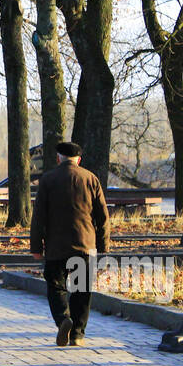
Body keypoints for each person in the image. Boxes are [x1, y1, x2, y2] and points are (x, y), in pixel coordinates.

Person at [30, 141, 109, 347]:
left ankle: (63, 319)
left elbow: (38, 217)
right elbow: (102, 216)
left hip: (56, 246)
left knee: (56, 287)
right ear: (78, 159)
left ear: (59, 158)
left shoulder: (47, 180)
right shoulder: (91, 179)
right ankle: (77, 334)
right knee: (82, 289)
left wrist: (37, 248)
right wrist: (103, 245)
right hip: (85, 244)